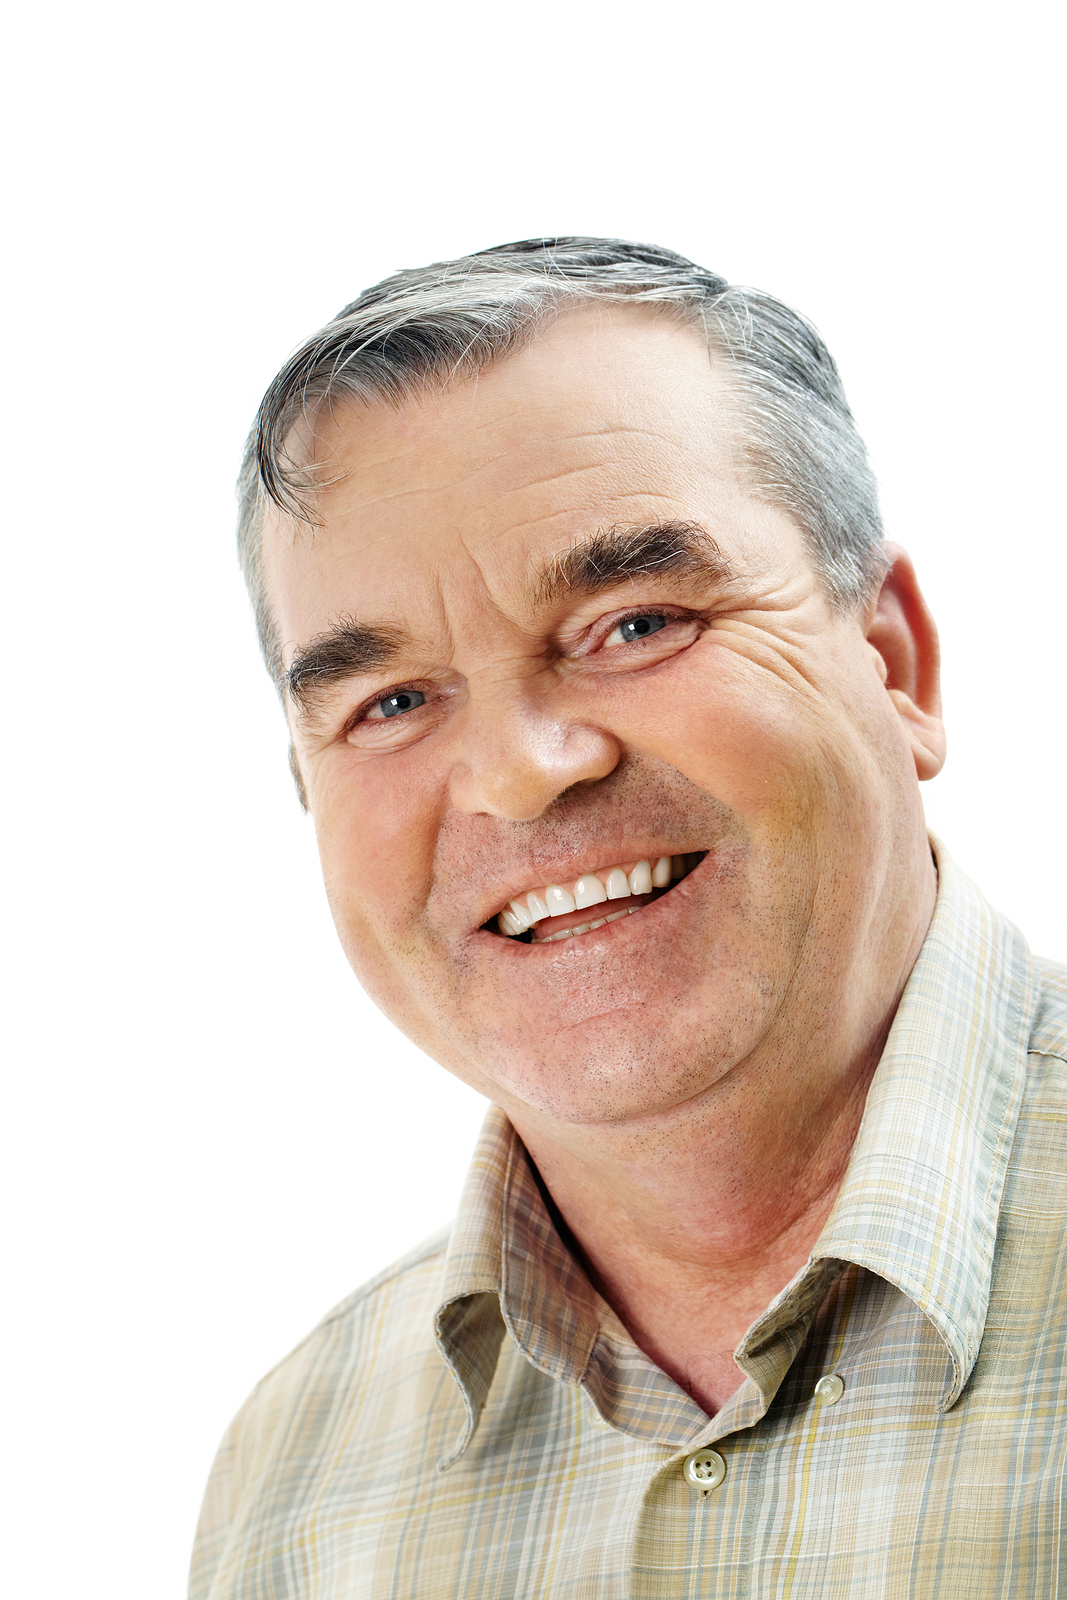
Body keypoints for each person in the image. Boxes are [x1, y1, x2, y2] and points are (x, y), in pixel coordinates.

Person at [190, 238, 1067, 1599]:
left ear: (893, 661)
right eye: (392, 703)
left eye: (635, 623)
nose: (519, 773)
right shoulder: (293, 1486)